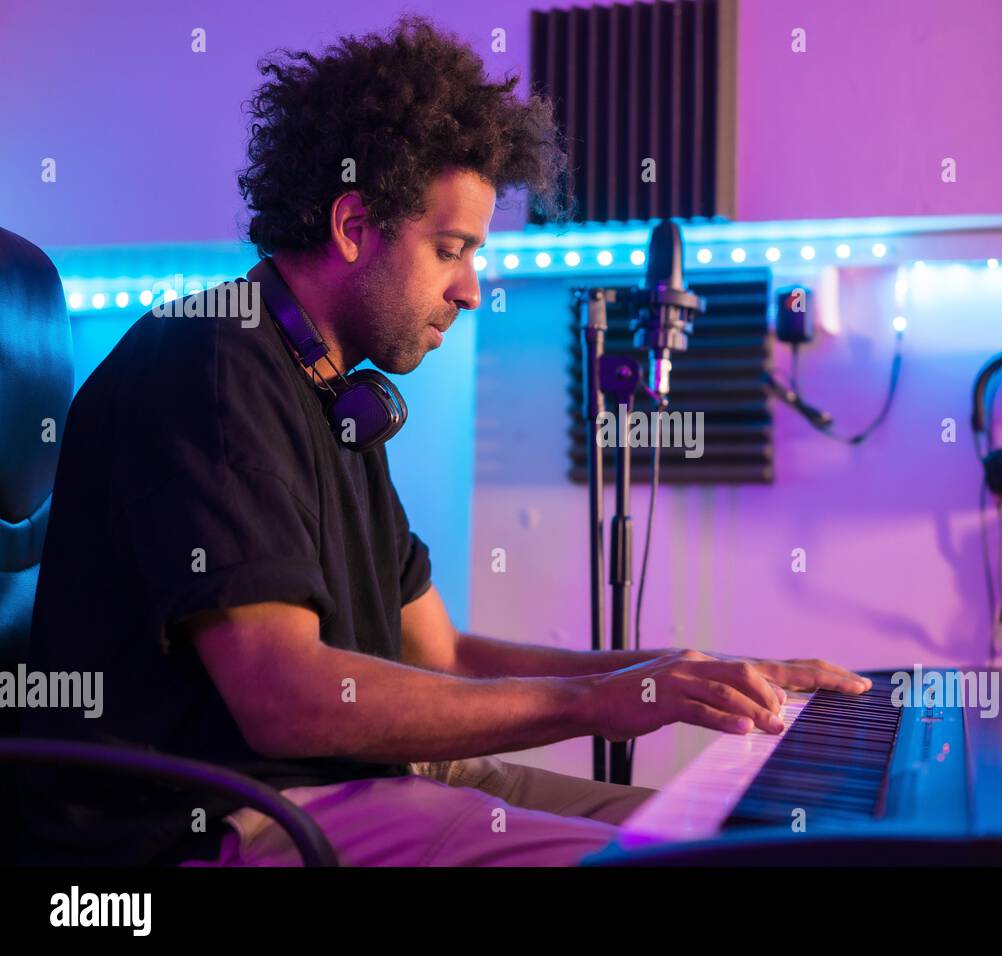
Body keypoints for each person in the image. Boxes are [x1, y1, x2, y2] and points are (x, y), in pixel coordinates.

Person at [18, 15, 871, 867]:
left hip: (346, 779)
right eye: (451, 249)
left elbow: (444, 653)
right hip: (225, 818)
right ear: (355, 226)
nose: (470, 289)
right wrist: (597, 702)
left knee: (730, 840)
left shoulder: (334, 392)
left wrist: (682, 670)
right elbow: (285, 699)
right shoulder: (212, 364)